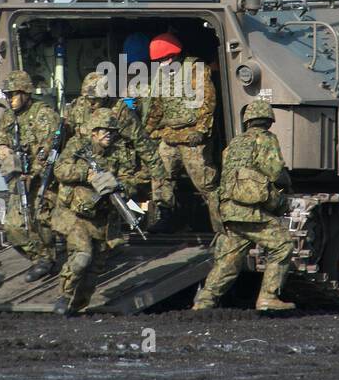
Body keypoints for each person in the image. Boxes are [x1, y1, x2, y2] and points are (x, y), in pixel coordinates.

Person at [193, 100, 296, 312]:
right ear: (268, 120)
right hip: (250, 211)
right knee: (283, 244)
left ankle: (204, 301)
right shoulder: (266, 139)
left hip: (228, 209)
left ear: (247, 120)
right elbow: (275, 170)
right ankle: (268, 297)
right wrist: (286, 184)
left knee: (228, 260)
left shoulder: (235, 143)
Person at [51, 109, 140, 315]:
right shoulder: (77, 146)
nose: (108, 135)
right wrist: (86, 174)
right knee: (82, 256)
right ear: (93, 132)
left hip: (102, 218)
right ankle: (63, 297)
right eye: (103, 131)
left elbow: (133, 181)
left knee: (94, 270)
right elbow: (60, 170)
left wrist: (118, 185)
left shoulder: (120, 152)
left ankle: (77, 307)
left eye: (111, 131)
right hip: (74, 215)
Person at [142, 32, 223, 232]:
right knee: (161, 178)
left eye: (165, 58)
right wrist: (147, 131)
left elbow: (208, 102)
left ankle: (222, 227)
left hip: (192, 137)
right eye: (159, 60)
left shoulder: (195, 69)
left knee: (206, 184)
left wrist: (201, 131)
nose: (163, 63)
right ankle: (165, 217)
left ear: (176, 54)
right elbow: (157, 107)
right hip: (169, 136)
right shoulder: (161, 74)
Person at [65, 71, 173, 212]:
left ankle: (141, 211)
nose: (91, 103)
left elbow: (142, 143)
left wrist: (159, 176)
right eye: (88, 98)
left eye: (95, 99)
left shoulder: (120, 111)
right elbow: (68, 137)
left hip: (115, 164)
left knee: (122, 194)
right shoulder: (77, 108)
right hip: (86, 164)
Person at [0, 70, 62, 282]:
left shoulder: (43, 114)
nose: (9, 99)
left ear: (25, 93)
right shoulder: (9, 116)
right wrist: (1, 148)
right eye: (6, 95)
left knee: (41, 222)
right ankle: (41, 258)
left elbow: (48, 149)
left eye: (12, 94)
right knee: (13, 227)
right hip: (19, 179)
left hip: (43, 180)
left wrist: (34, 174)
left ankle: (47, 258)